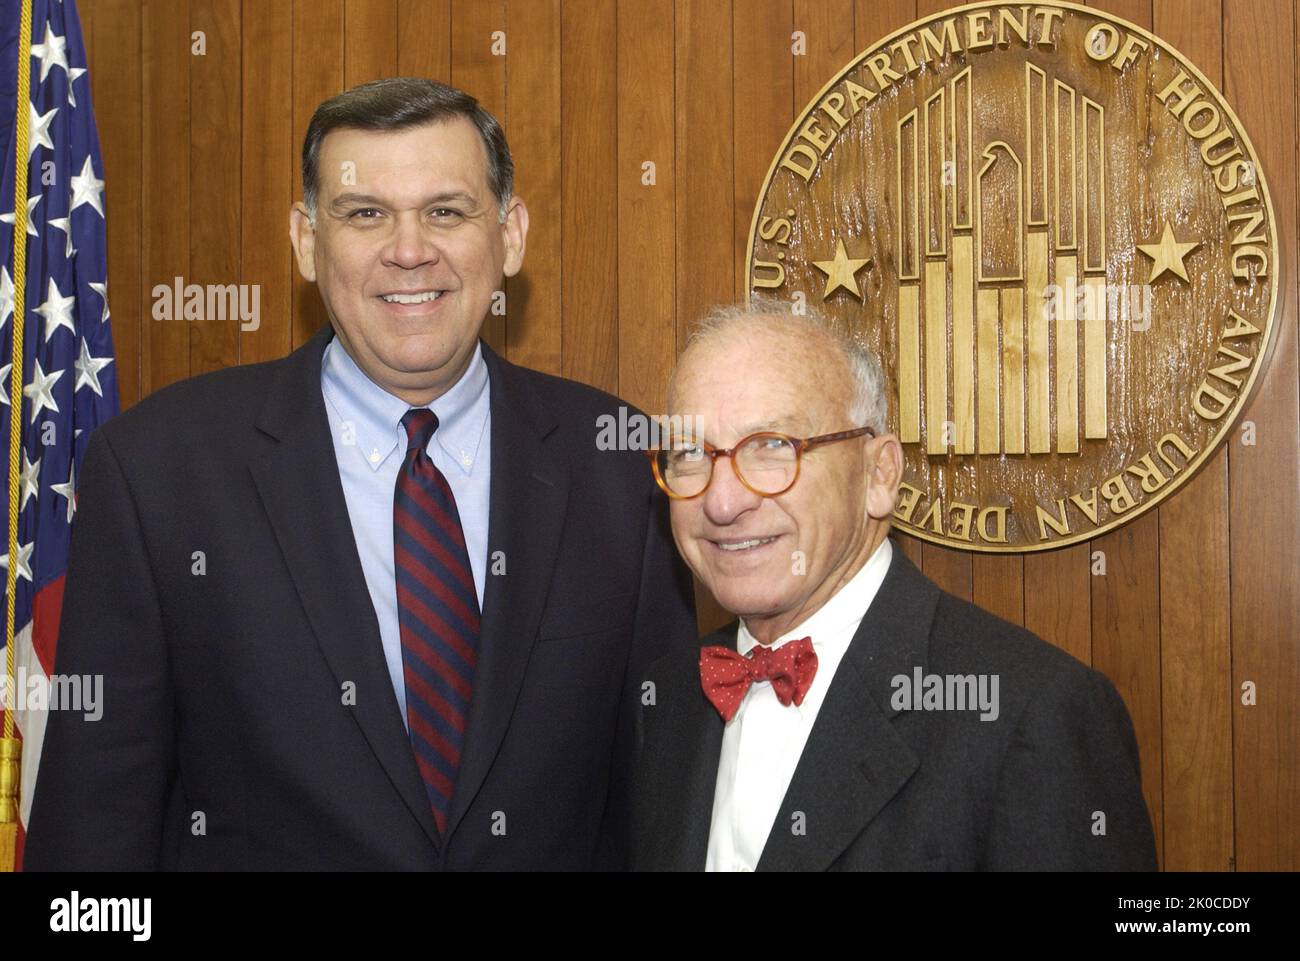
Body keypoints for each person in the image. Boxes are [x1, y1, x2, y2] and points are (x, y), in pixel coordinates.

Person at [24, 77, 696, 871]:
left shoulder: (623, 467)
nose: (409, 250)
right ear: (307, 242)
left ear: (510, 236)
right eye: (364, 213)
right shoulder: (159, 472)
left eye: (446, 210)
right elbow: (93, 838)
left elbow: (664, 813)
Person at [631, 301, 1157, 871]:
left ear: (879, 476)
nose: (721, 501)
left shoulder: (1029, 715)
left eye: (773, 446)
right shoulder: (666, 698)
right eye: (690, 453)